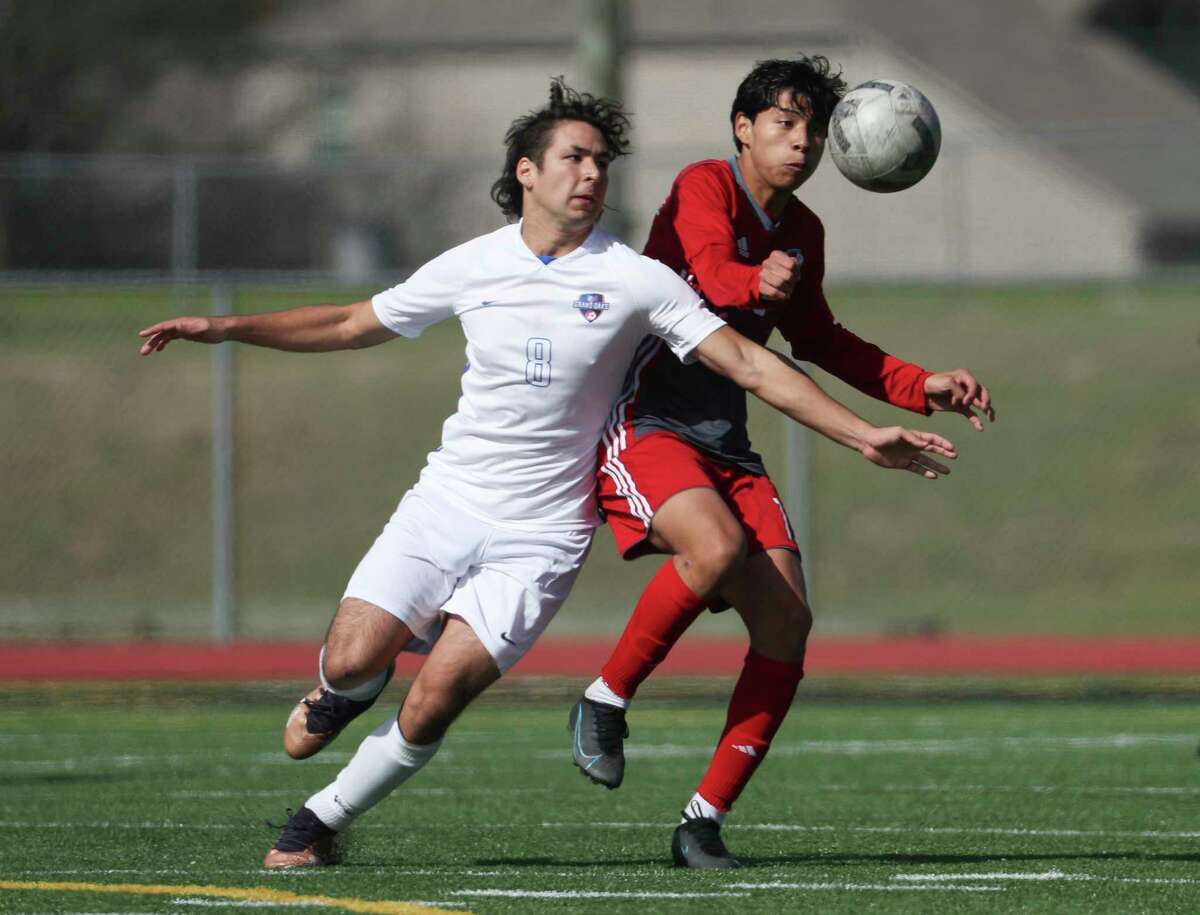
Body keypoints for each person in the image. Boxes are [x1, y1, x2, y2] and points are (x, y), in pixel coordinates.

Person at [138, 78, 957, 871]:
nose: (592, 174)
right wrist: (225, 326)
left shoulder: (635, 279)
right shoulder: (473, 264)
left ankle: (317, 822)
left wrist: (863, 435)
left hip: (542, 533)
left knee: (436, 699)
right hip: (446, 503)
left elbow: (749, 359)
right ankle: (347, 688)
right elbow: (354, 321)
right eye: (573, 157)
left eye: (602, 161)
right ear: (526, 172)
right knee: (354, 657)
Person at [568, 56, 996, 869]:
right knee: (716, 547)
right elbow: (706, 269)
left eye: (811, 129)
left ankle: (701, 819)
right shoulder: (705, 186)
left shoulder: (805, 232)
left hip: (723, 436)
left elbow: (822, 340)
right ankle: (603, 698)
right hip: (647, 418)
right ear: (744, 128)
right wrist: (749, 279)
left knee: (789, 620)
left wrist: (921, 385)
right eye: (783, 124)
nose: (799, 144)